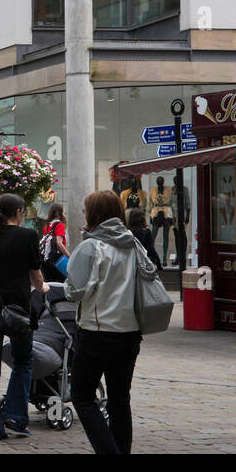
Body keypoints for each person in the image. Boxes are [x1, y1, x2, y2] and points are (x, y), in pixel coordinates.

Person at [65, 190, 148, 454]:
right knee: (120, 399)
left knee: (82, 396)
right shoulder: (133, 243)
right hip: (130, 331)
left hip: (97, 332)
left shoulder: (91, 246)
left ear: (93, 214)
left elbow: (76, 290)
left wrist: (68, 286)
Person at [0, 193, 47, 441]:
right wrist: (43, 288)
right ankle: (15, 416)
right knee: (23, 361)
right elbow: (35, 275)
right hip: (18, 308)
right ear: (18, 212)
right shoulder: (27, 236)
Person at [39, 204, 71, 281]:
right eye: (63, 212)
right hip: (57, 260)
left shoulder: (47, 225)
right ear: (60, 213)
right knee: (61, 282)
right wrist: (69, 256)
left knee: (50, 282)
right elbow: (59, 243)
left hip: (47, 259)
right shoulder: (59, 225)